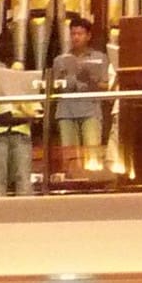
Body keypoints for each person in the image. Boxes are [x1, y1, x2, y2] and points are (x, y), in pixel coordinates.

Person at [51, 14, 108, 173]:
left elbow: (107, 86)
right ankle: (72, 180)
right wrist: (61, 81)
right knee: (69, 155)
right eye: (73, 34)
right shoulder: (60, 60)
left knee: (92, 152)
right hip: (66, 111)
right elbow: (53, 87)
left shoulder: (100, 58)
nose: (76, 37)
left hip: (90, 110)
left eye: (80, 33)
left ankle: (92, 181)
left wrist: (90, 80)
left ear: (88, 36)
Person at [0, 52, 40, 197]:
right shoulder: (1, 91)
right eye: (13, 71)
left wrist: (21, 105)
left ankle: (25, 205)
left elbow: (37, 116)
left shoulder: (29, 92)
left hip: (21, 134)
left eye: (19, 71)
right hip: (1, 134)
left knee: (22, 173)